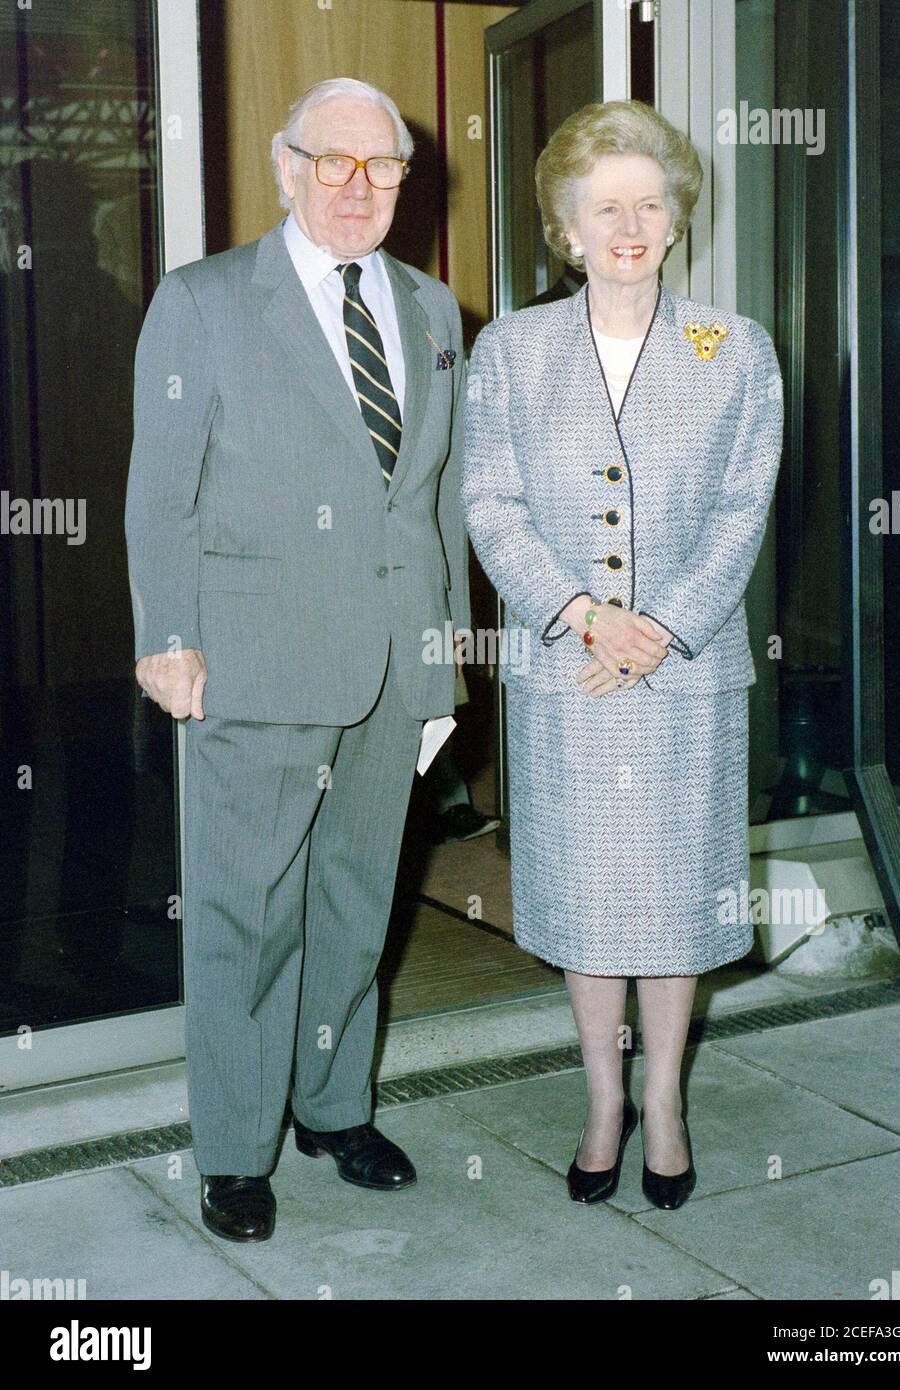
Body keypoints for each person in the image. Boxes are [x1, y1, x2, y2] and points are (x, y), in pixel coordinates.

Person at [125, 78, 470, 1242]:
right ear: (286, 168)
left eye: (383, 167)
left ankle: (330, 1105)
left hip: (389, 664)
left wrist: (442, 664)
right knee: (243, 912)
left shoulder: (431, 307)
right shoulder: (207, 302)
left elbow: (438, 503)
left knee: (355, 899)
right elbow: (158, 492)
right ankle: (234, 1144)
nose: (359, 187)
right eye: (334, 162)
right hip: (254, 658)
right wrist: (165, 637)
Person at [462, 99, 783, 1210]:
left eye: (649, 203)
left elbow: (744, 509)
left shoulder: (732, 348)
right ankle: (603, 1096)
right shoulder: (510, 351)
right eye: (606, 207)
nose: (630, 225)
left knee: (671, 896)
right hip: (569, 673)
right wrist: (582, 614)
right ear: (565, 225)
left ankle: (671, 1103)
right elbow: (490, 504)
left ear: (676, 216)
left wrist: (666, 626)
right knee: (588, 895)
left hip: (686, 676)